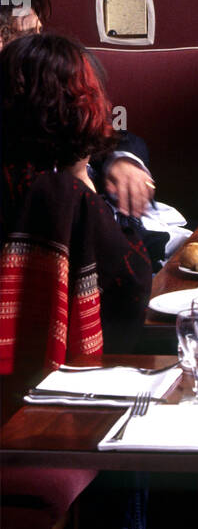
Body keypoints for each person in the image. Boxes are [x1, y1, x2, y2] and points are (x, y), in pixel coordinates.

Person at [0, 33, 152, 381]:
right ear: (82, 109)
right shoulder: (68, 199)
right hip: (65, 388)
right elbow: (134, 288)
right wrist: (84, 177)